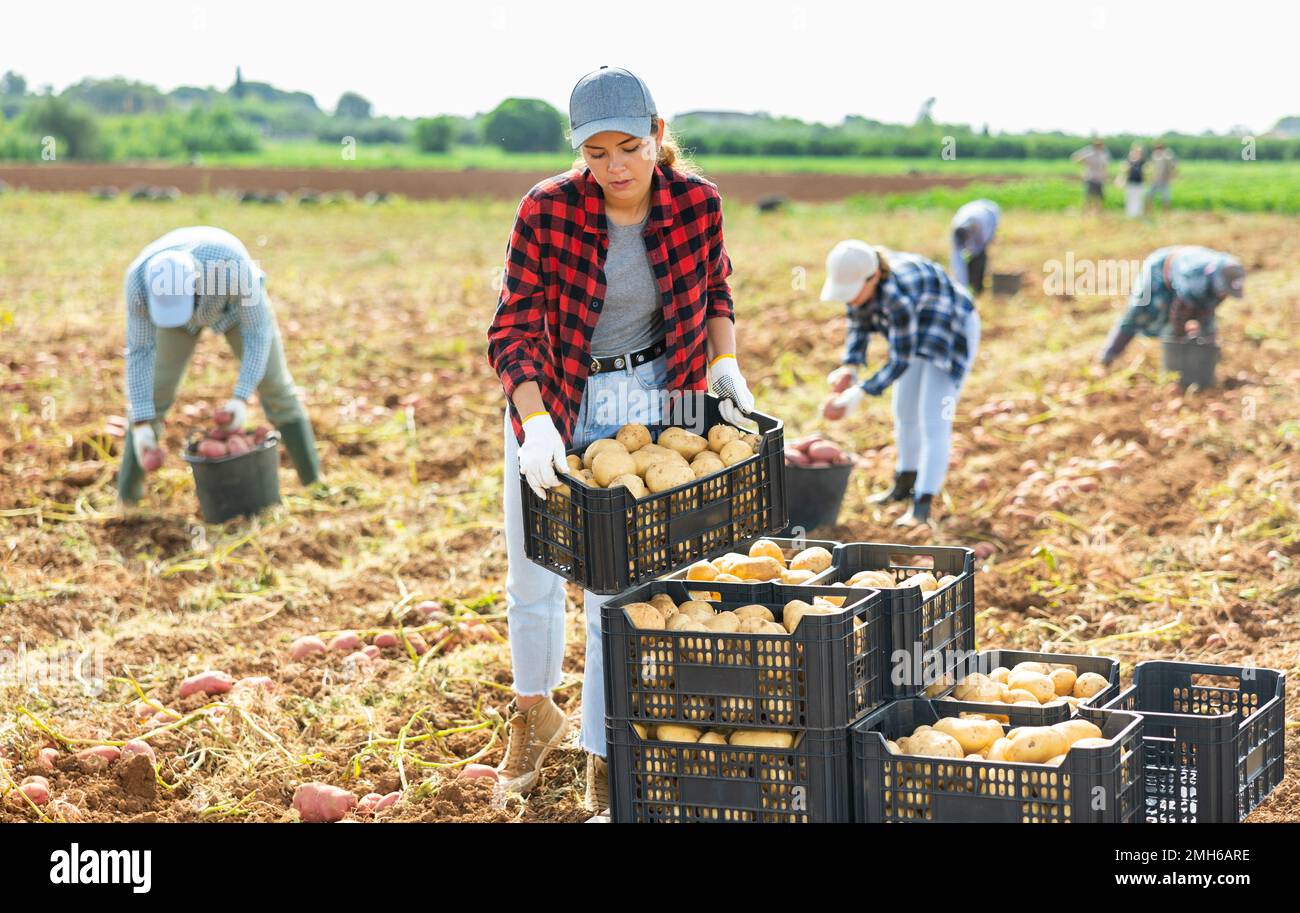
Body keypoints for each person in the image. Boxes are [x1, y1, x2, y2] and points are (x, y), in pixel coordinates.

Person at [485, 66, 753, 815]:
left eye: (629, 147)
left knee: (616, 587)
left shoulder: (697, 202)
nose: (615, 168)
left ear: (657, 135)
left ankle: (608, 750)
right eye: (596, 154)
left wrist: (724, 360)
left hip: (647, 402)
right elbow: (512, 328)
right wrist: (536, 426)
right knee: (532, 570)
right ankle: (534, 714)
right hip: (556, 392)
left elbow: (716, 288)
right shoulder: (548, 209)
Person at [118, 226, 322, 505]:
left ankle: (314, 485)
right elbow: (140, 351)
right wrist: (140, 422)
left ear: (198, 286)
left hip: (234, 312)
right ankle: (128, 502)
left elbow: (257, 335)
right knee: (153, 394)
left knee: (276, 386)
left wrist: (241, 397)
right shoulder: (138, 282)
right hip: (169, 320)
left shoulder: (234, 268)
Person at [821, 241, 980, 527]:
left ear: (874, 278)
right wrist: (850, 367)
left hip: (948, 329)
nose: (850, 299)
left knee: (933, 418)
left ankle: (922, 505)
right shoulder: (863, 287)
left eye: (853, 291)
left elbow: (900, 361)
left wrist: (860, 392)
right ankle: (903, 484)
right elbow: (858, 325)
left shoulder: (897, 298)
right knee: (904, 412)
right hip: (918, 327)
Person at [1098, 246, 1245, 366]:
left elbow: (1207, 311)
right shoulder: (1195, 276)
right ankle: (1107, 358)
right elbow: (1180, 313)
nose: (1223, 296)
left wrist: (1205, 340)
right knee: (1137, 313)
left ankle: (1204, 364)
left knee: (1206, 327)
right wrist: (1185, 335)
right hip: (1160, 271)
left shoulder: (1229, 270)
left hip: (1186, 281)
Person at [949, 198, 1000, 295]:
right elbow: (957, 258)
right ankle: (969, 286)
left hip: (989, 212)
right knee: (966, 263)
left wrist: (974, 254)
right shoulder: (956, 229)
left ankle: (978, 289)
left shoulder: (984, 222)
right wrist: (961, 285)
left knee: (979, 258)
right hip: (971, 215)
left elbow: (983, 243)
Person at [1071, 137, 1110, 213]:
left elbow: (1105, 167)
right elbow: (1075, 158)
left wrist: (1105, 176)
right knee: (1088, 197)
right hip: (1091, 178)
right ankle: (1085, 213)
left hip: (1099, 179)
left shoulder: (1103, 154)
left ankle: (1098, 213)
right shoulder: (1089, 153)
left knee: (1100, 198)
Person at [1119, 142, 1147, 218]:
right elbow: (1123, 170)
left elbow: (1146, 172)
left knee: (1138, 199)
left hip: (1139, 182)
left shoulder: (1142, 161)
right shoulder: (1129, 161)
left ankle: (1138, 214)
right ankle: (1130, 215)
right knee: (1130, 199)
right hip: (1130, 182)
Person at [1148, 142, 1178, 210]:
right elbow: (1153, 168)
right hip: (1155, 180)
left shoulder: (1167, 156)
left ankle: (1166, 213)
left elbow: (1173, 166)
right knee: (1150, 196)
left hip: (1164, 180)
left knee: (1165, 198)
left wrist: (1172, 176)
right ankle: (1149, 212)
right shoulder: (1154, 156)